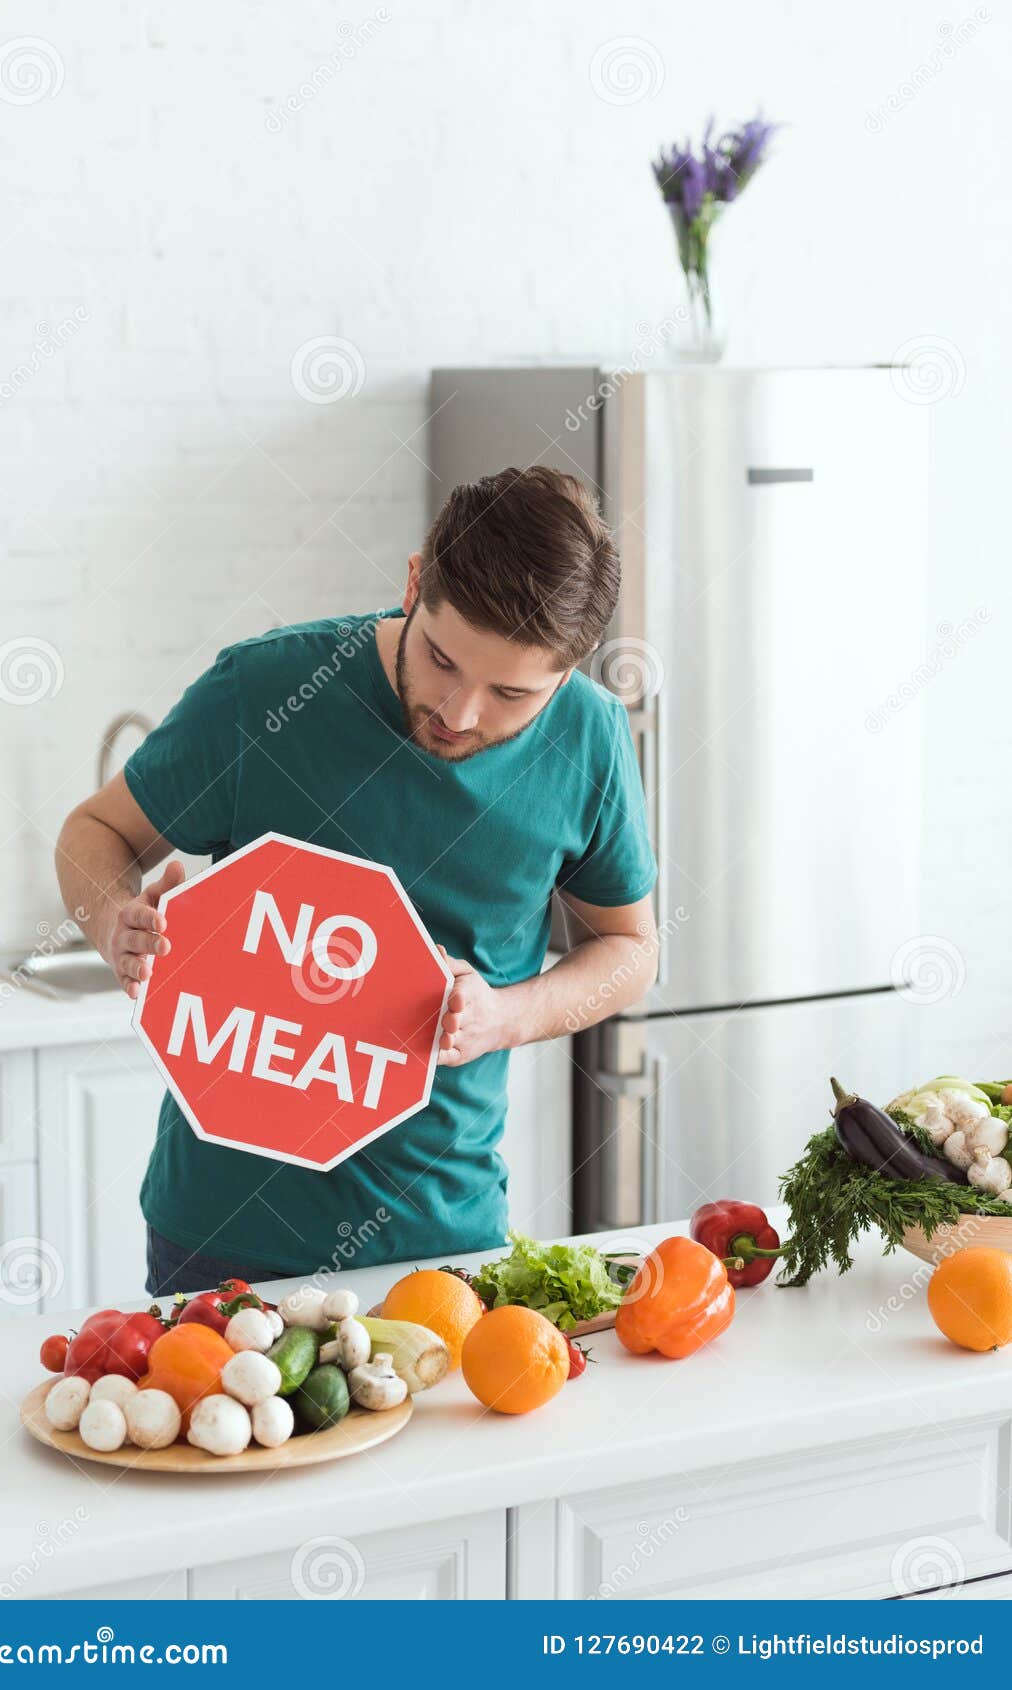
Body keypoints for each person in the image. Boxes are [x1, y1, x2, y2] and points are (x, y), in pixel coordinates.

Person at [56, 466, 658, 1295]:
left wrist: (506, 1015)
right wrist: (114, 918)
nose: (461, 712)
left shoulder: (590, 740)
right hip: (221, 1241)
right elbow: (95, 832)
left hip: (440, 1240)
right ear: (415, 584)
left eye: (512, 694)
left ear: (569, 671)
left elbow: (630, 948)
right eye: (443, 660)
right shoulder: (263, 691)